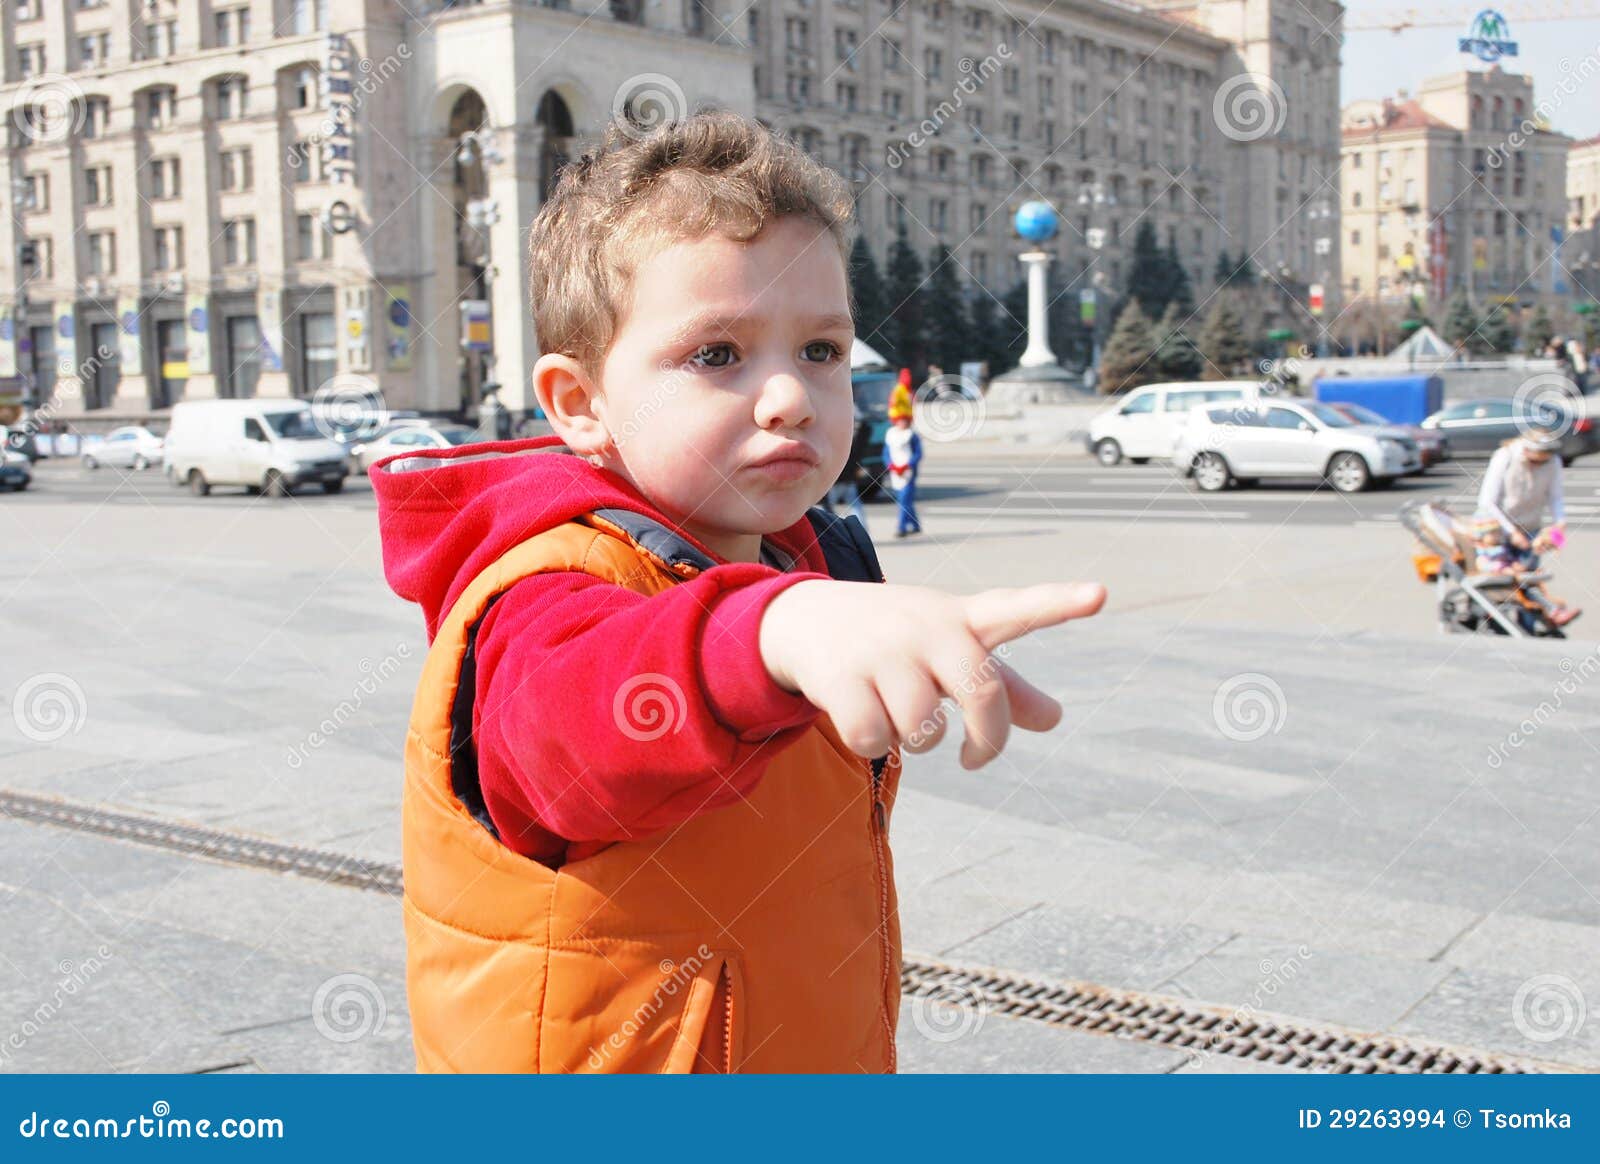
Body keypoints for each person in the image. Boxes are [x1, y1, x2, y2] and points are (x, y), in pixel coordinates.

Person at [371, 111, 1105, 1074]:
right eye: (718, 355)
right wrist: (772, 632)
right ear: (579, 405)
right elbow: (571, 732)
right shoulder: (545, 589)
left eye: (823, 351)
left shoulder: (797, 563)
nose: (792, 396)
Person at [1475, 428, 1581, 627]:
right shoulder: (1505, 456)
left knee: (1529, 577)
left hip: (1530, 526)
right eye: (1536, 460)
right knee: (1509, 581)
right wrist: (1511, 531)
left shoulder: (1552, 462)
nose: (1540, 464)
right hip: (1496, 528)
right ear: (1526, 451)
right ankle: (1501, 624)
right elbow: (1487, 502)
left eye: (1544, 460)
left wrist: (1560, 524)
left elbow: (1555, 497)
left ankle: (1530, 624)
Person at [884, 379, 922, 538]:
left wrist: (907, 465)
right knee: (903, 500)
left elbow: (918, 454)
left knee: (904, 501)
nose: (903, 423)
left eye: (905, 420)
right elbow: (886, 453)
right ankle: (915, 524)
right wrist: (891, 466)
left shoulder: (912, 435)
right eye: (900, 420)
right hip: (895, 471)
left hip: (908, 472)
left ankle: (901, 528)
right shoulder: (891, 434)